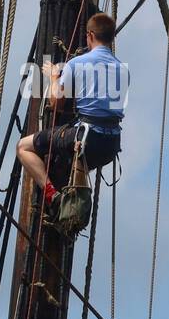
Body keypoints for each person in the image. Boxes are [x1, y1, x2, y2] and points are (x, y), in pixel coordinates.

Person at [17, 12, 129, 206]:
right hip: (110, 145)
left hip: (86, 138)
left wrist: (54, 77)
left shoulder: (77, 63)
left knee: (23, 146)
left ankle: (53, 196)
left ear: (90, 35)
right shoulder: (123, 69)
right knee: (67, 162)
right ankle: (70, 200)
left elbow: (56, 104)